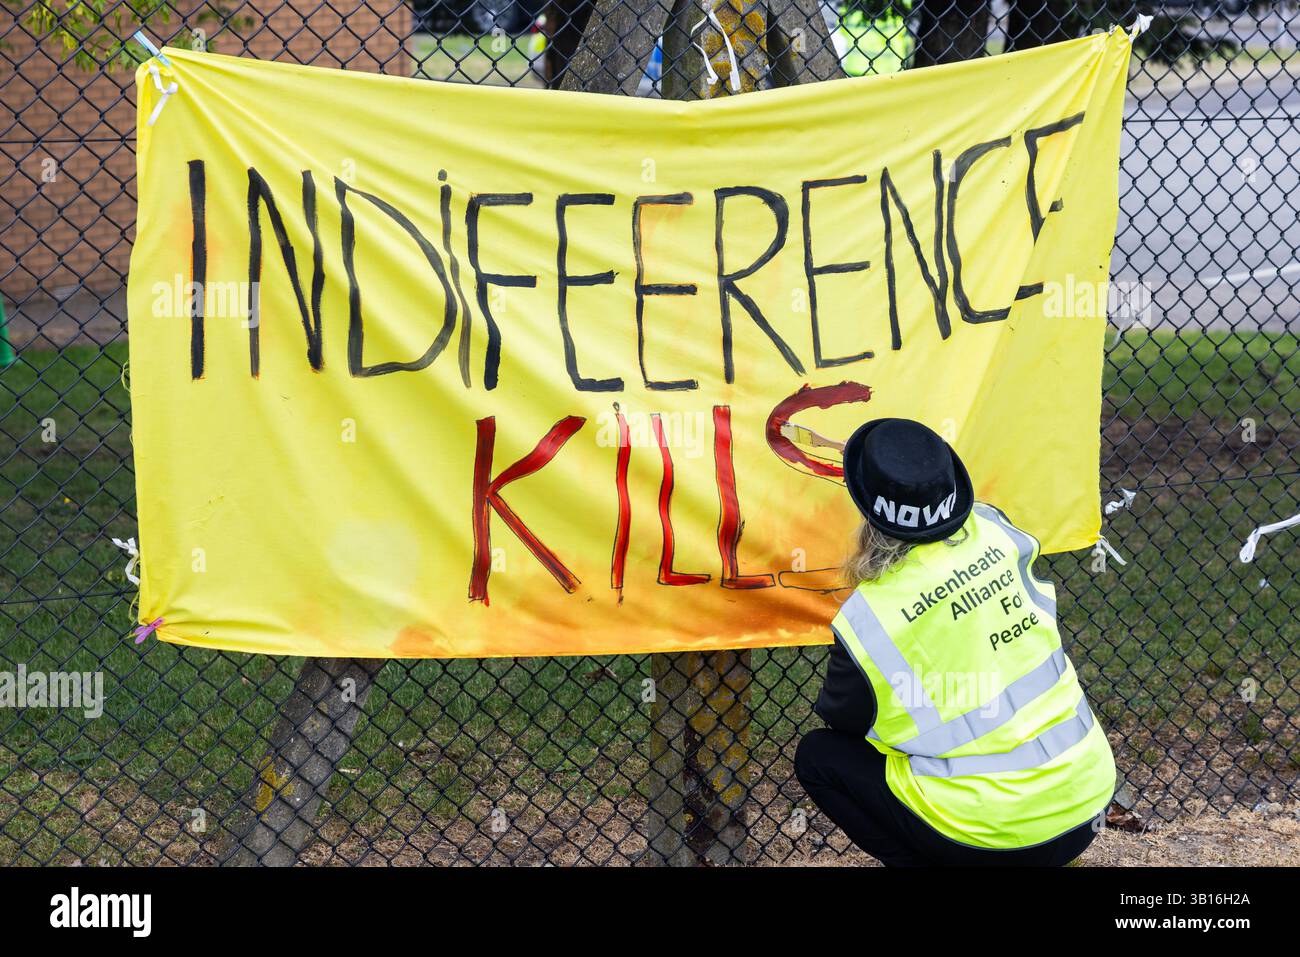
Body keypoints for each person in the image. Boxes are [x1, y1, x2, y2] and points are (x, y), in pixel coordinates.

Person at [794, 417, 1116, 866]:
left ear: (866, 508)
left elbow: (843, 720)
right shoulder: (998, 532)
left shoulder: (868, 617)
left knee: (818, 756)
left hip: (991, 839)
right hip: (1086, 802)